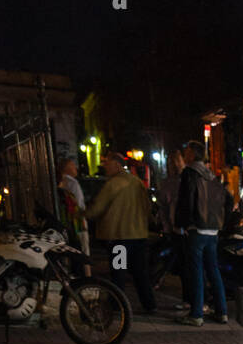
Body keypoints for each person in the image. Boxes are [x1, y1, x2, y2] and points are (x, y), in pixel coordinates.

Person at [85, 151, 155, 313]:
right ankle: (149, 304)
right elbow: (147, 208)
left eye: (107, 164)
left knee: (118, 272)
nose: (105, 167)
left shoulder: (113, 184)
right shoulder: (137, 183)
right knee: (140, 273)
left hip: (119, 237)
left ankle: (117, 305)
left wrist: (82, 214)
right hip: (138, 236)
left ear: (116, 164)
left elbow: (97, 208)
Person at [174, 139, 228, 327]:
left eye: (187, 151)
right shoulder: (211, 175)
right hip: (213, 229)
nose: (184, 154)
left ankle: (196, 314)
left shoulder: (190, 173)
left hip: (196, 227)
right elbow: (226, 198)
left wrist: (180, 224)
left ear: (192, 154)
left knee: (196, 271)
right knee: (213, 269)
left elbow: (185, 201)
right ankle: (222, 311)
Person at [157, 149, 188, 304]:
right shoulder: (173, 182)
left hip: (181, 229)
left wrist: (167, 228)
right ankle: (192, 300)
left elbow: (163, 207)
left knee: (186, 267)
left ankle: (191, 300)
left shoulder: (174, 182)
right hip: (184, 229)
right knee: (187, 267)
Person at [58, 157, 90, 274]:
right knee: (83, 250)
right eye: (72, 166)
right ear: (66, 168)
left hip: (69, 222)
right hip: (77, 222)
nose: (75, 168)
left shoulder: (62, 183)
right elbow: (80, 204)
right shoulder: (72, 183)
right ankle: (87, 279)